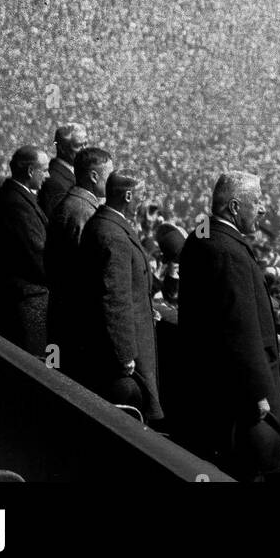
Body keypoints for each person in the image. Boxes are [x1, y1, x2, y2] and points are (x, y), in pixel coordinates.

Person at [178, 172, 280, 480]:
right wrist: (256, 393)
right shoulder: (228, 251)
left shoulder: (202, 236)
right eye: (258, 201)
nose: (263, 209)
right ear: (235, 207)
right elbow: (240, 329)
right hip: (237, 400)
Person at [76, 171, 163, 423]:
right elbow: (114, 299)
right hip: (122, 353)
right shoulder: (113, 233)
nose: (143, 201)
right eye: (141, 195)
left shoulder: (102, 223)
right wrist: (125, 354)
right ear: (128, 195)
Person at [46, 146, 112, 377]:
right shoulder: (84, 211)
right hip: (77, 318)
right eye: (108, 174)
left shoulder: (71, 203)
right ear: (94, 176)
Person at [0, 146, 51, 356]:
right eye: (44, 170)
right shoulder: (15, 203)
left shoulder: (18, 197)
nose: (47, 176)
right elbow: (37, 255)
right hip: (24, 301)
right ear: (30, 171)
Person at [39, 122, 86, 218]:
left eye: (85, 144)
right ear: (62, 148)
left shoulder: (74, 173)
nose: (84, 150)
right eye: (78, 146)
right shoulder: (54, 182)